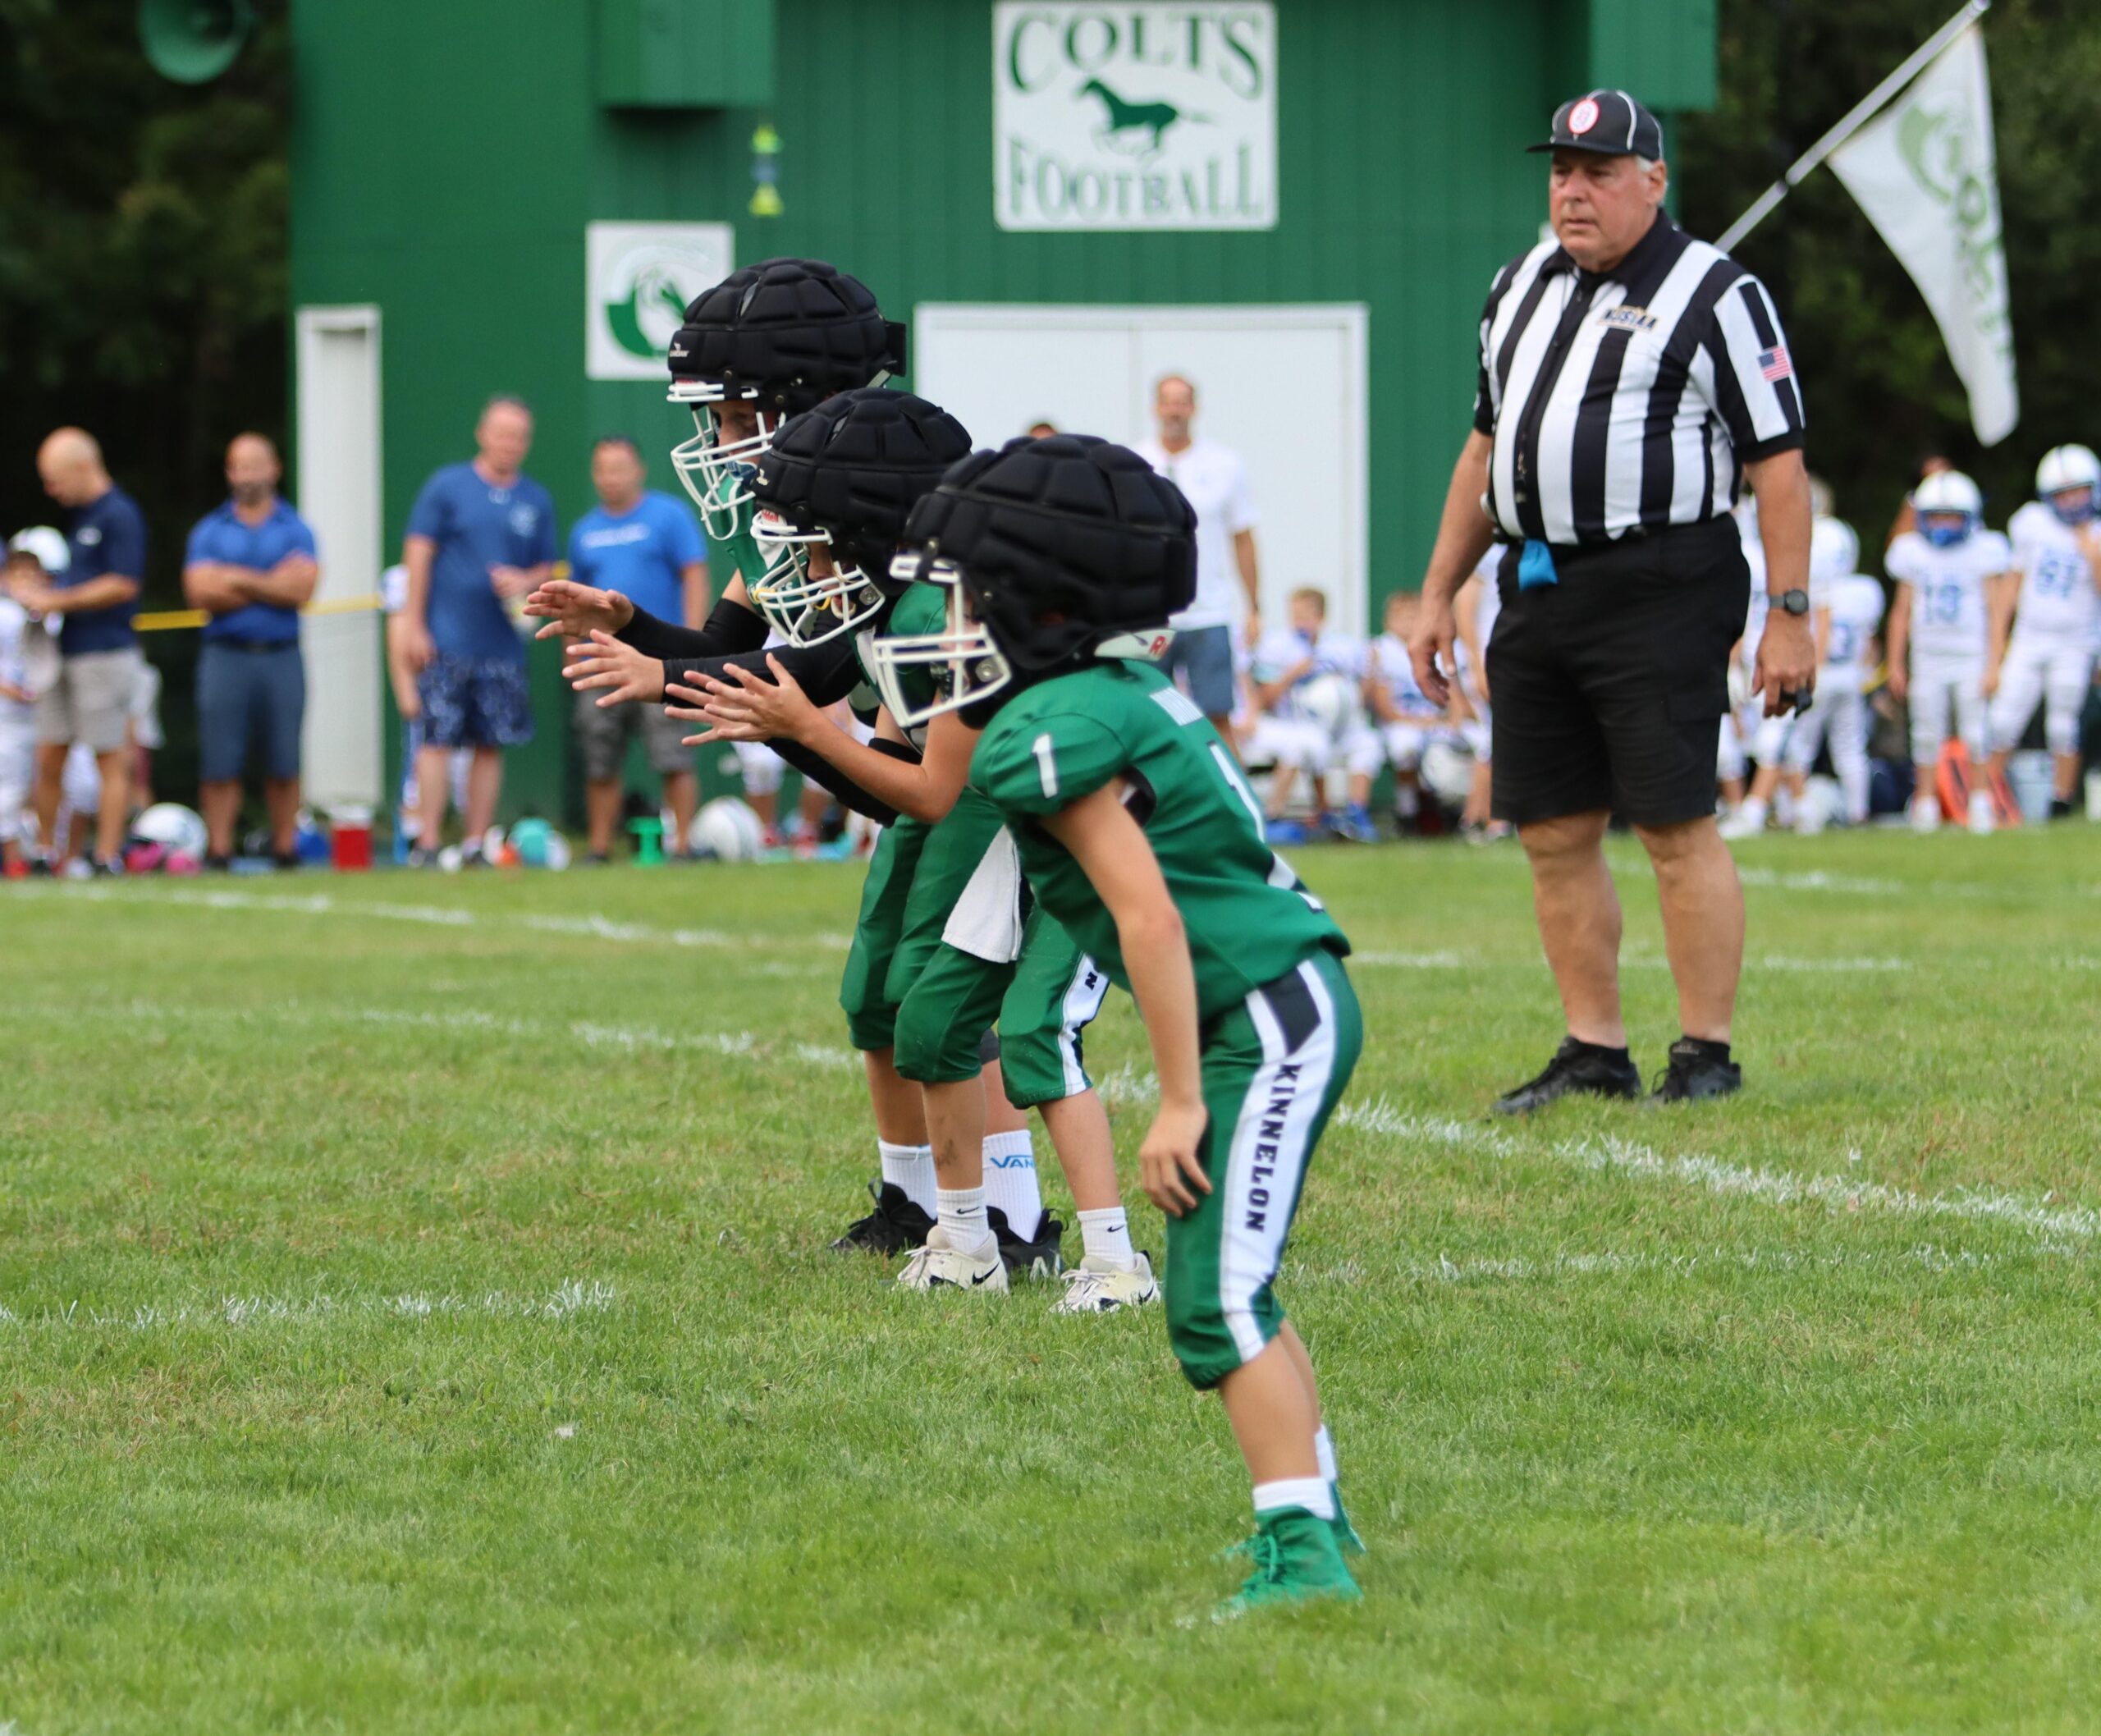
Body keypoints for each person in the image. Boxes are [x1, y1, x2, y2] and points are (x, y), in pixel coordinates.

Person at [524, 262, 1100, 1280]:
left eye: (729, 411)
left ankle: (1011, 1215)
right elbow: (743, 656)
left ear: (794, 399)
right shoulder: (804, 504)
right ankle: (914, 1198)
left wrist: (673, 675)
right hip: (912, 770)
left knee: (952, 998)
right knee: (876, 991)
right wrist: (638, 634)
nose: (712, 440)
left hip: (975, 783)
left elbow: (796, 680)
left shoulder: (890, 504)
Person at [905, 432, 1365, 1618]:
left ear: (1038, 602)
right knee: (1237, 1281)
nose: (950, 618)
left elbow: (1149, 918)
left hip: (1256, 1012)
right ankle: (1308, 1513)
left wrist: (1178, 1098)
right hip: (1263, 1000)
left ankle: (1306, 1561)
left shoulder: (1049, 726)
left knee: (1214, 1299)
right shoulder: (1111, 691)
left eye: (969, 593)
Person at [661, 388, 1140, 1304]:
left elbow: (930, 789)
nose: (797, 562)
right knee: (927, 1023)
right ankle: (967, 1243)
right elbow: (900, 775)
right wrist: (797, 727)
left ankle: (1103, 1254)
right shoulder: (901, 608)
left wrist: (806, 728)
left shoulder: (941, 617)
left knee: (1038, 1032)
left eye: (809, 535)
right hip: (1019, 812)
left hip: (1080, 812)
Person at [1410, 89, 1815, 1111]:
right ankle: (1594, 1047)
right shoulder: (1518, 285)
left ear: (1652, 180)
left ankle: (1705, 1052)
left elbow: (1778, 463)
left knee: (1674, 820)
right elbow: (1483, 447)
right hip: (1537, 584)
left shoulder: (1716, 290)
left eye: (1596, 172)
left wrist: (1791, 611)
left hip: (1664, 582)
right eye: (1560, 171)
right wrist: (1434, 595)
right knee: (1549, 826)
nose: (1573, 191)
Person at [397, 396, 555, 863]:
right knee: (437, 739)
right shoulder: (447, 487)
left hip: (502, 645)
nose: (510, 444)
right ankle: (426, 842)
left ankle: (474, 843)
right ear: (483, 434)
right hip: (447, 640)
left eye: (519, 436)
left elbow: (546, 567)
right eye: (502, 433)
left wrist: (524, 580)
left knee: (490, 742)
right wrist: (414, 625)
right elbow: (418, 555)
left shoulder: (536, 499)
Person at [6, 429, 149, 873]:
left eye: (56, 479)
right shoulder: (81, 518)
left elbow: (123, 584)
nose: (51, 490)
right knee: (50, 755)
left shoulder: (119, 515)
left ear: (83, 468)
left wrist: (56, 601)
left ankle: (107, 857)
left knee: (109, 756)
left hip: (103, 653)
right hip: (63, 654)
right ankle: (45, 854)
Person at [565, 436, 707, 863]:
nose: (611, 478)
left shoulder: (669, 516)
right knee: (599, 758)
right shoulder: (584, 531)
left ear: (638, 470)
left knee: (674, 754)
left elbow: (695, 577)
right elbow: (574, 603)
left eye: (619, 468)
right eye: (603, 469)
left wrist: (693, 644)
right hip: (599, 662)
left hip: (658, 660)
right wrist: (573, 659)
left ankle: (682, 845)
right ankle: (599, 847)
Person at [182, 433, 321, 866]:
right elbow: (199, 592)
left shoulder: (296, 528)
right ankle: (219, 850)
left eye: (254, 465)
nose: (246, 475)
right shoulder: (209, 530)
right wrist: (268, 583)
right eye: (238, 466)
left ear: (274, 468)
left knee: (284, 757)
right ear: (229, 472)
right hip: (225, 655)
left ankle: (285, 849)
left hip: (280, 655)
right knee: (221, 758)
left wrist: (234, 579)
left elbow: (302, 588)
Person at [1885, 469, 2009, 834]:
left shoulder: (1983, 551)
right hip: (1928, 655)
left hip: (1970, 653)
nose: (1942, 524)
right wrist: (1895, 663)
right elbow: (1900, 613)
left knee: (1976, 731)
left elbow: (1996, 612)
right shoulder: (1912, 552)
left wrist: (1994, 663)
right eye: (1935, 516)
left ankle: (1981, 801)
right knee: (1925, 731)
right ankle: (1924, 803)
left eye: (1951, 516)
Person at [1137, 374, 1260, 740]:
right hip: (1151, 615)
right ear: (1156, 407)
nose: (1175, 410)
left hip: (1209, 611)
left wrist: (1254, 606)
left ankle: (1227, 796)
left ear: (1194, 408)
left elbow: (1243, 537)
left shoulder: (1225, 463)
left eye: (1182, 401)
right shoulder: (1134, 461)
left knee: (1218, 715)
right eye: (1168, 401)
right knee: (1148, 717)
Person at [1988, 445, 2099, 819]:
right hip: (2031, 636)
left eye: (2077, 491)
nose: (2070, 501)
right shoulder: (2031, 523)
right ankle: (1985, 797)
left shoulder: (2097, 532)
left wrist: (2090, 549)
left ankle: (2060, 802)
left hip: (2076, 640)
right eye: (2062, 494)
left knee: (2063, 723)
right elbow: (2009, 590)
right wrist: (1997, 648)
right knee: (2004, 718)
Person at [1247, 587, 1372, 843]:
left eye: (1305, 615)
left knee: (1368, 743)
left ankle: (1357, 814)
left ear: (1321, 616)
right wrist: (1293, 673)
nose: (1298, 621)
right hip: (1293, 722)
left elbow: (1367, 681)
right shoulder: (1278, 645)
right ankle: (1318, 813)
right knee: (1311, 742)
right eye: (1294, 614)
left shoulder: (1342, 646)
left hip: (1341, 724)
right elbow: (1265, 699)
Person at [1783, 566, 1886, 830]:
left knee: (1799, 744)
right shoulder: (1864, 591)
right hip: (1851, 677)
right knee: (1850, 748)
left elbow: (1820, 634)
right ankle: (1858, 812)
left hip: (1821, 673)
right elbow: (1869, 643)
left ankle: (1797, 813)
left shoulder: (1817, 590)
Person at [1364, 591, 1449, 834]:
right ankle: (1408, 812)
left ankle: (1445, 811)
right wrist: (1416, 721)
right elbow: (1384, 706)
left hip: (1432, 721)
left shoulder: (1433, 648)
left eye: (1415, 617)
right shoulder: (1383, 650)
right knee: (1406, 746)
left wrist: (1440, 718)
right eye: (1403, 618)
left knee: (1453, 752)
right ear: (1389, 622)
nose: (1409, 623)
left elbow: (1448, 694)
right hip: (1400, 723)